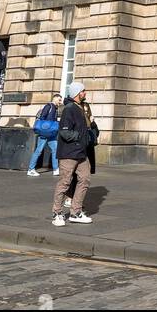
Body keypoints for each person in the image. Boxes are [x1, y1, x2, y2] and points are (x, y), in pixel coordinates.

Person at [51, 83, 93, 227]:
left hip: (81, 152)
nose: (85, 93)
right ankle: (57, 213)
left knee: (85, 179)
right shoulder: (69, 109)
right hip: (69, 152)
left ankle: (75, 212)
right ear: (77, 93)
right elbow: (64, 131)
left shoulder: (80, 107)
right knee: (65, 182)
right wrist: (80, 137)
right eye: (83, 91)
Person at [27, 93, 62, 176]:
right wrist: (47, 126)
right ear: (55, 98)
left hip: (50, 133)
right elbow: (42, 117)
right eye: (59, 100)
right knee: (39, 150)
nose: (60, 102)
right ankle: (31, 169)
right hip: (45, 132)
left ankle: (56, 169)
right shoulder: (49, 106)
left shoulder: (55, 108)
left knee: (55, 149)